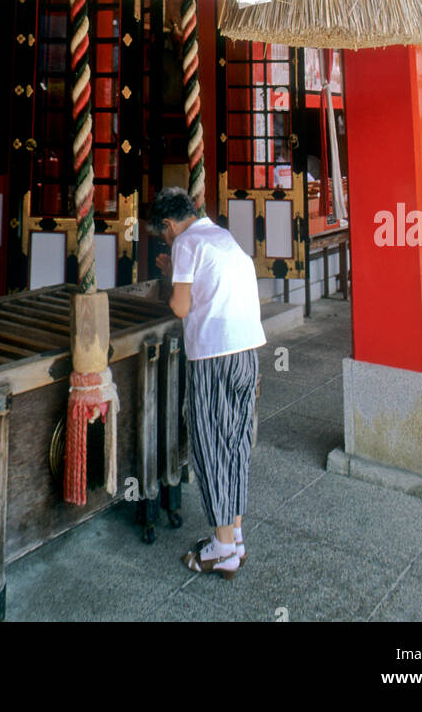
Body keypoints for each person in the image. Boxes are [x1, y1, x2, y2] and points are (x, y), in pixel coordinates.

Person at [149, 187, 266, 579]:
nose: (167, 240)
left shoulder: (185, 242)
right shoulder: (222, 236)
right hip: (247, 352)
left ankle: (221, 549)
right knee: (235, 444)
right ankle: (234, 535)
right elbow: (211, 287)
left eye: (163, 233)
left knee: (210, 446)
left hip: (214, 356)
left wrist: (170, 278)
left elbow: (181, 306)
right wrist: (176, 275)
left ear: (168, 224)